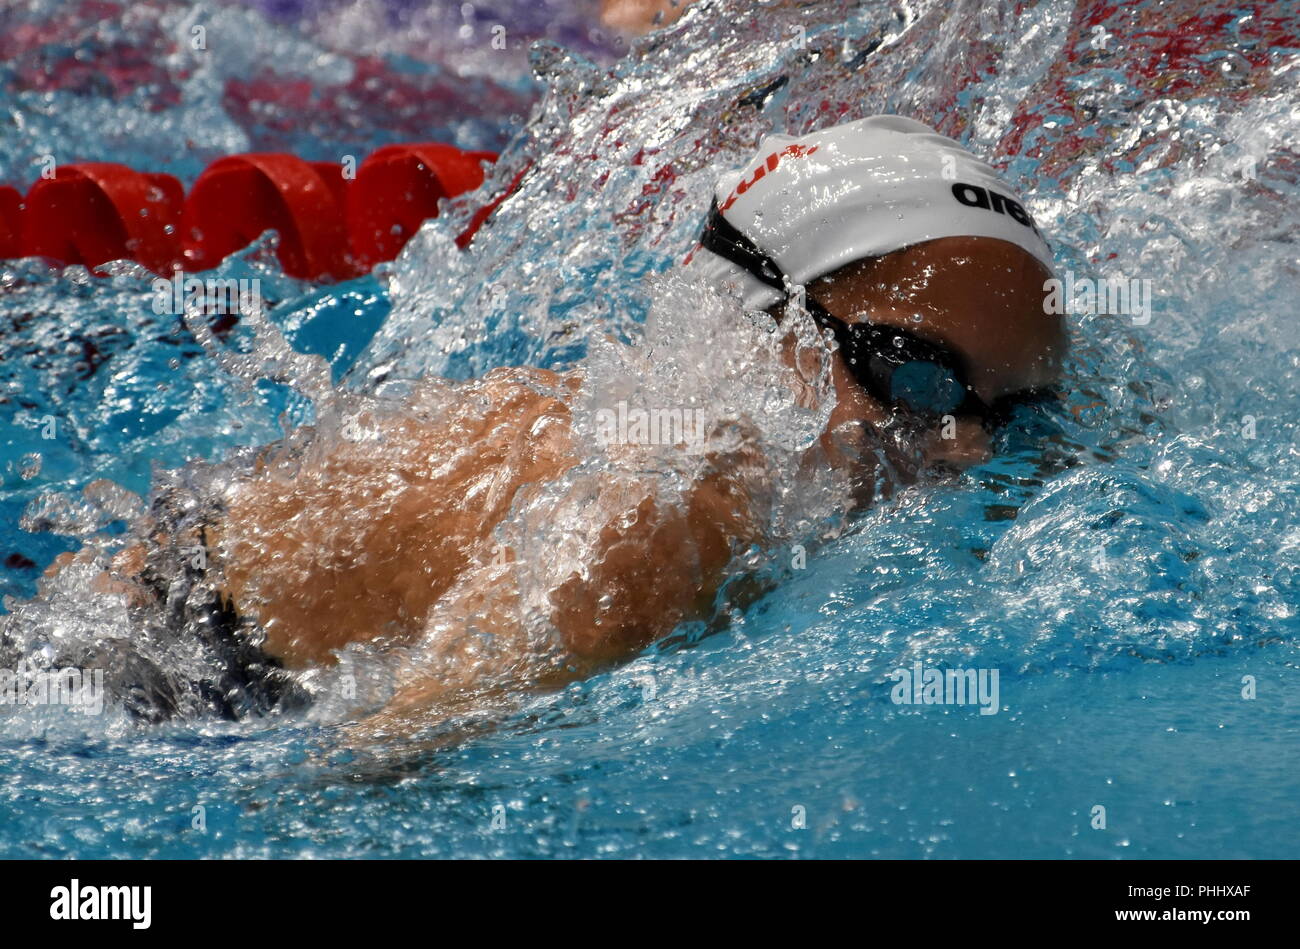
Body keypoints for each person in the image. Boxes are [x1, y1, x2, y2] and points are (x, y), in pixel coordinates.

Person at [20, 116, 1065, 732]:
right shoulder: (656, 524)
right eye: (917, 378)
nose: (968, 450)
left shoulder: (761, 456)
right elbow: (372, 772)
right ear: (765, 327)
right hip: (171, 662)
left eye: (1010, 411)